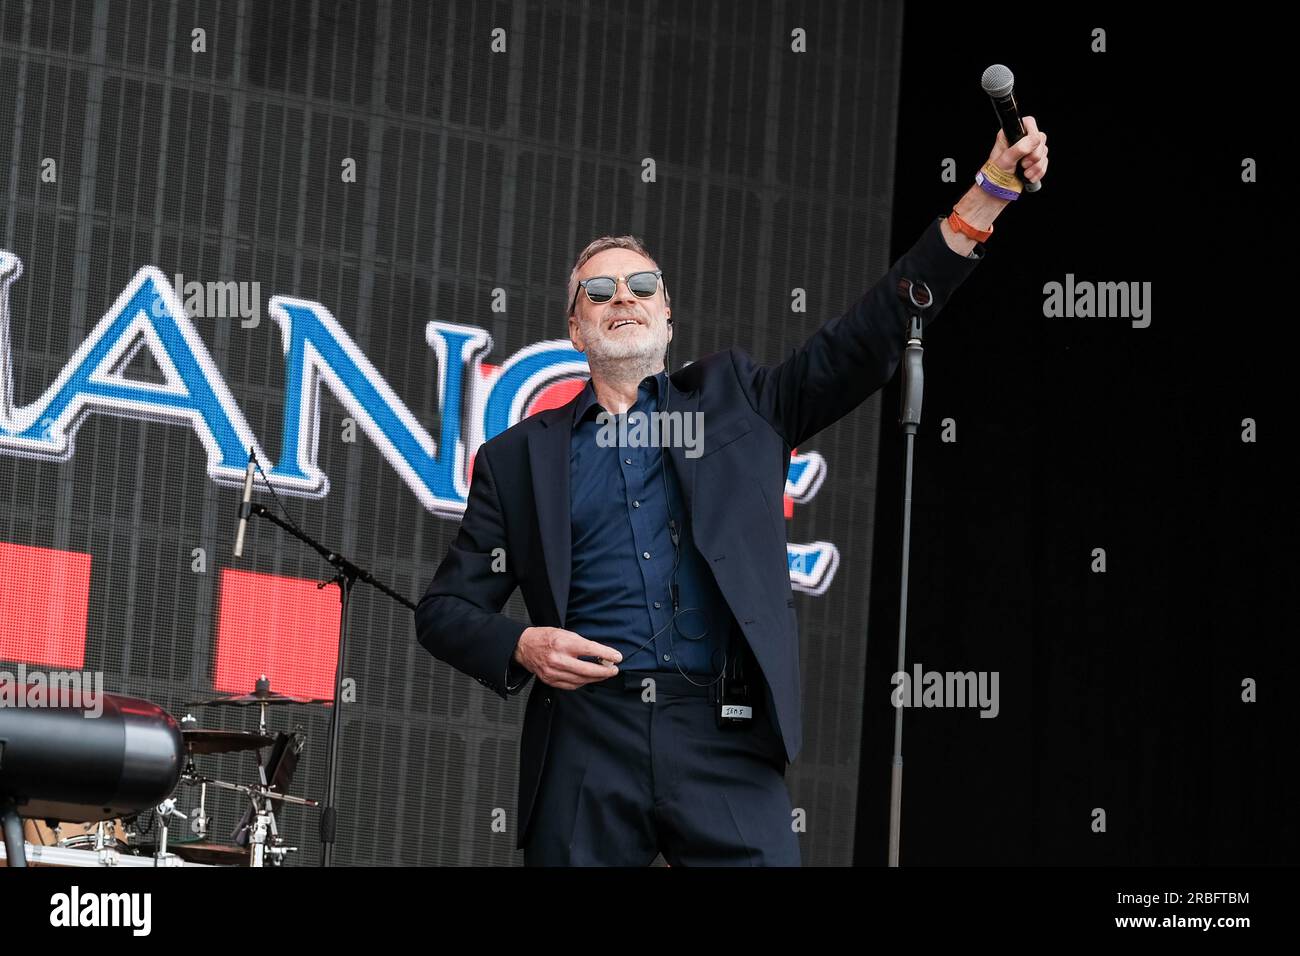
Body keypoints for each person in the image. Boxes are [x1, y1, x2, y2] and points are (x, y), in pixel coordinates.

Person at [415, 120, 1049, 865]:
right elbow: (445, 610)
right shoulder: (520, 457)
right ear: (577, 329)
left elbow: (866, 337)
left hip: (721, 731)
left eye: (642, 284)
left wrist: (987, 196)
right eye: (599, 290)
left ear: (667, 312)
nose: (624, 296)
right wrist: (521, 642)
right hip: (587, 738)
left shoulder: (740, 402)